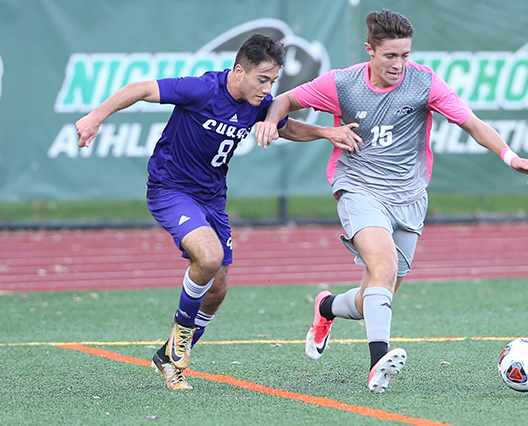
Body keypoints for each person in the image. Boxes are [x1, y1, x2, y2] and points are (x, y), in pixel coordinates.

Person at [255, 9, 528, 394]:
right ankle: (378, 365)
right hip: (358, 188)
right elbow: (285, 100)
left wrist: (511, 156)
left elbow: (472, 123)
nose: (399, 64)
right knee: (384, 267)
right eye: (390, 56)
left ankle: (325, 308)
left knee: (378, 290)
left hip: (409, 197)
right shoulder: (343, 84)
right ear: (370, 50)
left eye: (405, 55)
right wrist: (272, 120)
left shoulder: (424, 83)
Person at [76, 33, 356, 390]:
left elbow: (286, 128)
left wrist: (325, 132)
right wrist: (95, 118)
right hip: (170, 189)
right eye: (262, 79)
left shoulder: (257, 103)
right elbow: (140, 89)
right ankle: (181, 333)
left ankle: (168, 356)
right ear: (239, 71)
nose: (268, 89)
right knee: (209, 257)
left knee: (218, 288)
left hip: (212, 198)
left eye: (273, 81)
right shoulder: (201, 90)